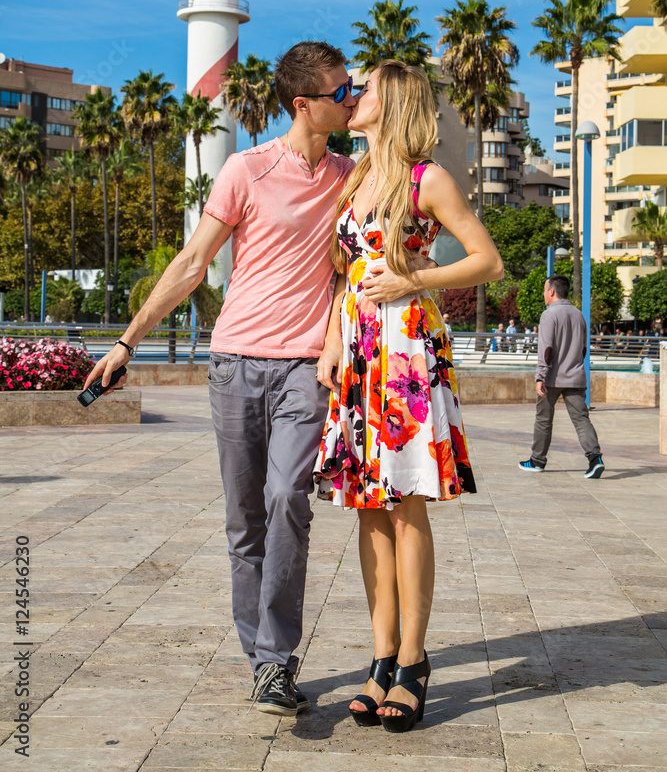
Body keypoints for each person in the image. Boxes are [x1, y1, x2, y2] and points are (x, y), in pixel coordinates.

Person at [82, 41, 365, 717]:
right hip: (235, 362)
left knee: (287, 499)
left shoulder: (349, 175)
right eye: (340, 91)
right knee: (244, 521)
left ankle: (275, 659)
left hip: (304, 365)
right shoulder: (246, 169)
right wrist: (128, 341)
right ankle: (259, 655)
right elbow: (190, 263)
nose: (350, 98)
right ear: (303, 105)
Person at [313, 60, 503, 733]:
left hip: (409, 356)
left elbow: (487, 260)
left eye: (361, 89)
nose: (351, 97)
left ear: (391, 102)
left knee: (405, 508)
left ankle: (414, 662)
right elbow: (345, 278)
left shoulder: (428, 179)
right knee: (366, 509)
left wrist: (417, 282)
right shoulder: (354, 177)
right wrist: (332, 345)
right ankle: (380, 658)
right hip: (360, 354)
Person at [519, 274, 604, 479]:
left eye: (544, 290)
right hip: (575, 376)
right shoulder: (578, 314)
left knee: (544, 420)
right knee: (581, 419)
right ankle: (595, 459)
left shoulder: (549, 315)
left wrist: (540, 377)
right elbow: (583, 349)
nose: (543, 294)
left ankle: (537, 461)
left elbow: (546, 349)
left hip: (552, 378)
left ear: (551, 291)